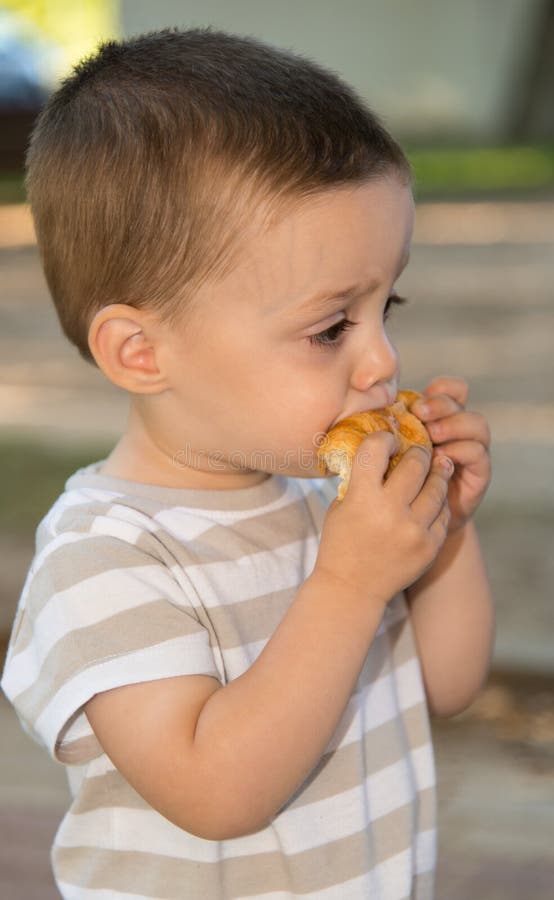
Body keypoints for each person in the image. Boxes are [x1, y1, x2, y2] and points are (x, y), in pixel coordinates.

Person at [1, 27, 494, 900]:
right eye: (331, 328)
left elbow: (448, 684)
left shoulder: (328, 499)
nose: (382, 361)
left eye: (387, 304)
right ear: (143, 353)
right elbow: (217, 792)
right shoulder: (103, 560)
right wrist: (348, 584)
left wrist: (444, 530)